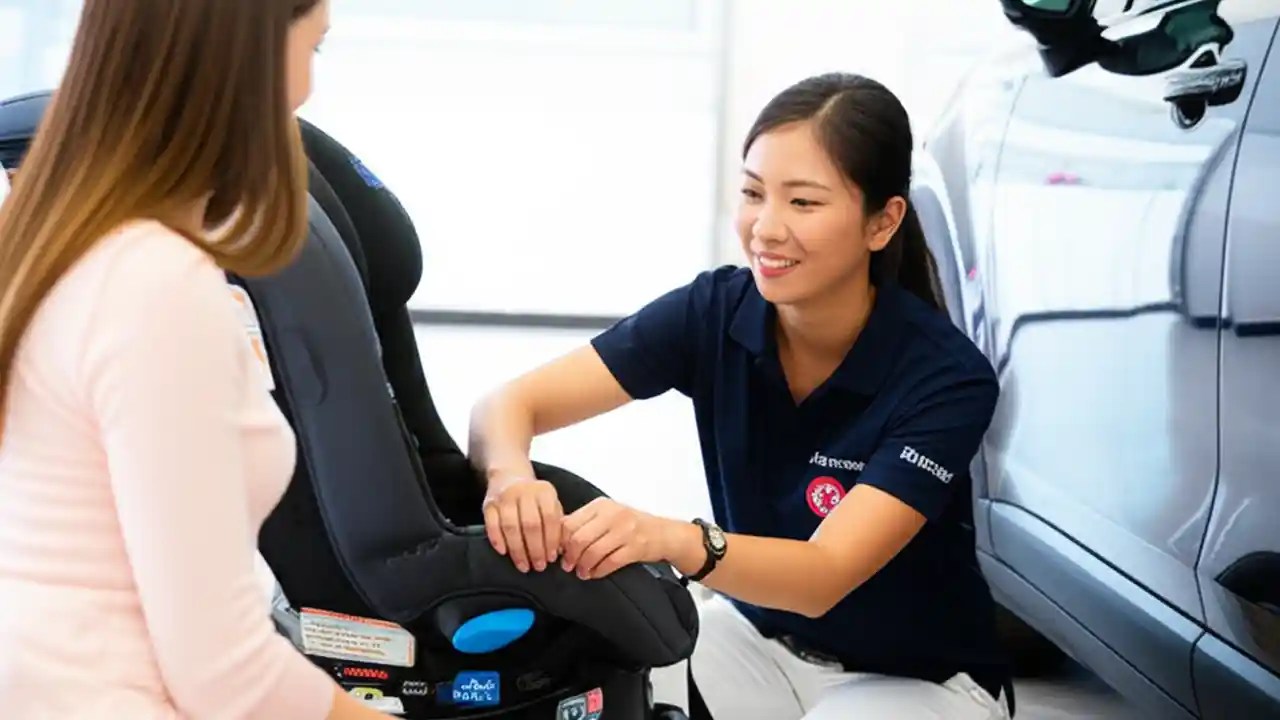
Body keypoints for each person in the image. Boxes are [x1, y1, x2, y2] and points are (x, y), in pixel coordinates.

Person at [469, 72, 1012, 720]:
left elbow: (824, 576)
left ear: (882, 221)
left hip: (916, 682)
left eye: (804, 203)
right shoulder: (715, 310)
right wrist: (509, 479)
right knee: (582, 680)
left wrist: (668, 538)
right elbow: (507, 405)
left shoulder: (945, 378)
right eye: (754, 193)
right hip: (753, 642)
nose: (766, 229)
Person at [0, 1, 394, 718]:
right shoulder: (152, 285)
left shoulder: (52, 247)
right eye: (315, 50)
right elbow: (228, 678)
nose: (307, 91)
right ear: (250, 62)